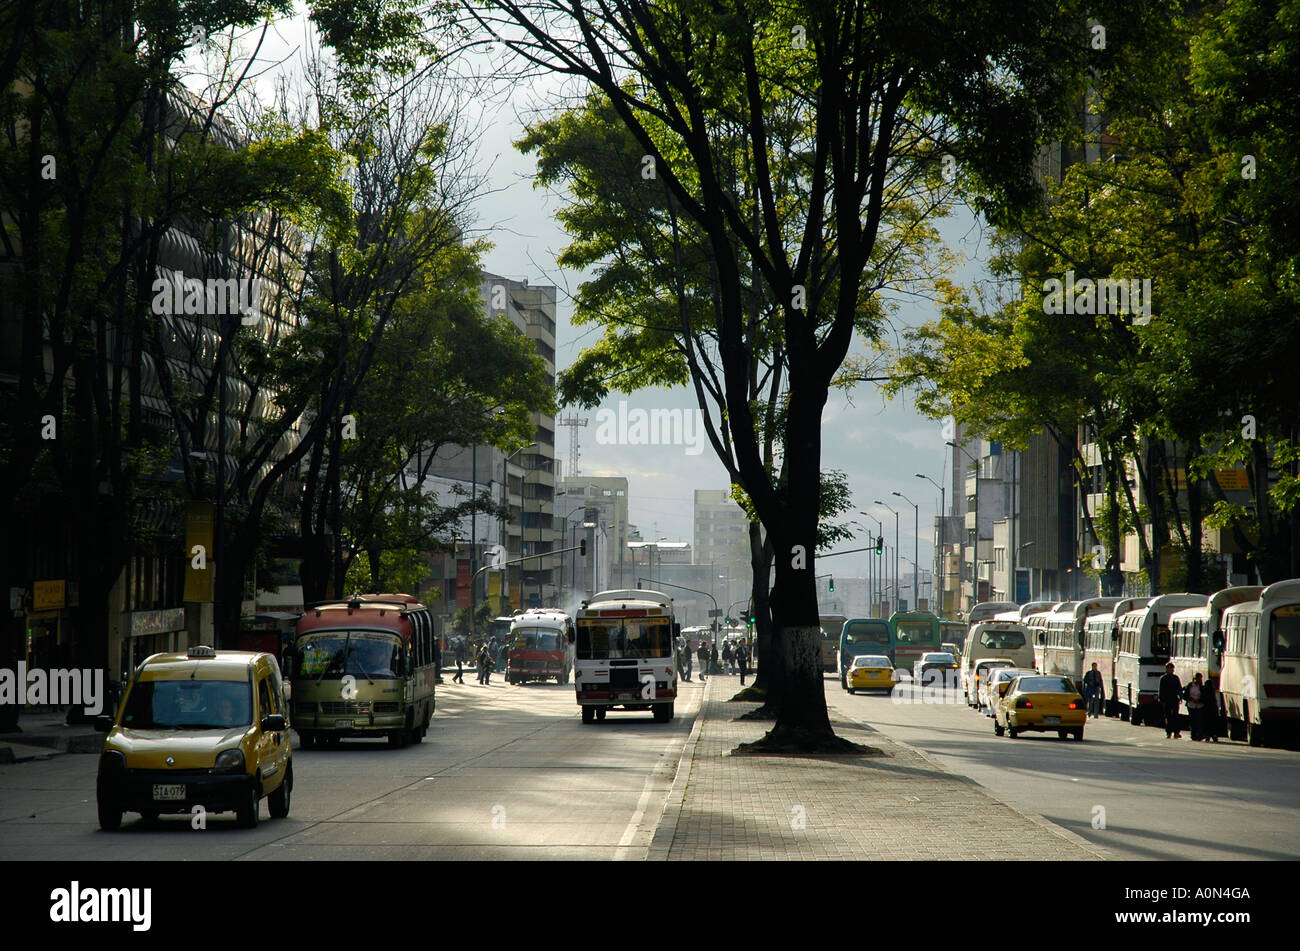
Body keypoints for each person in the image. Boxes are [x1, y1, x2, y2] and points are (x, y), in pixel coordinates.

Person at [1159, 662, 1183, 738]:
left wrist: (1180, 696)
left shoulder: (1175, 678)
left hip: (1174, 699)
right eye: (1169, 668)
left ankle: (1176, 732)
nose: (1171, 670)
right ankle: (1168, 732)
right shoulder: (1163, 678)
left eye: (1172, 668)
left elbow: (1179, 688)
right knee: (1168, 717)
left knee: (1176, 716)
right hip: (1166, 700)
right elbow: (1161, 690)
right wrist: (1161, 700)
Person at [1183, 672, 1208, 741]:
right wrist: (1191, 699)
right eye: (1197, 679)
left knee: (1199, 721)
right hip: (1191, 705)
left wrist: (1200, 700)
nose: (1198, 680)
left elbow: (1205, 696)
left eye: (1200, 679)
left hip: (1200, 706)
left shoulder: (1202, 687)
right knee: (1192, 721)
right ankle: (1193, 735)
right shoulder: (1190, 686)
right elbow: (1185, 695)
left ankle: (1199, 735)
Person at [1201, 675, 1220, 742]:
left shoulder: (1205, 690)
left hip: (1206, 709)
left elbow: (1203, 699)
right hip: (1213, 709)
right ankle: (1214, 735)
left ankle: (1207, 735)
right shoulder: (1212, 690)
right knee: (1213, 723)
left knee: (1206, 723)